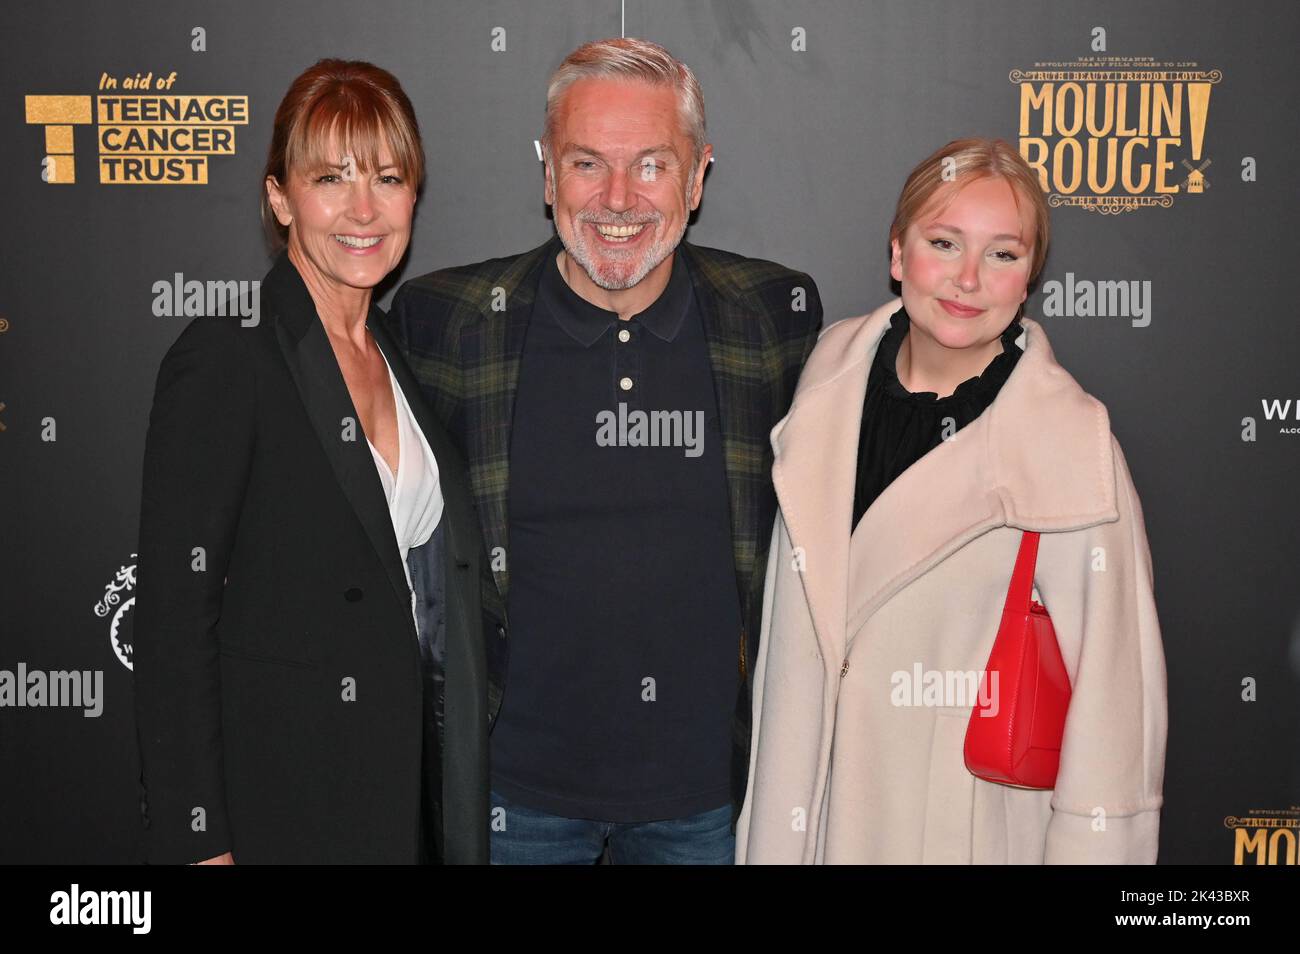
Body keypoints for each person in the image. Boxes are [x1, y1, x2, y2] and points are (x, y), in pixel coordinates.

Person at [387, 37, 822, 864]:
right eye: (587, 164)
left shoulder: (773, 320)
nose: (618, 198)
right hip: (509, 800)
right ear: (547, 173)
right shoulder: (445, 325)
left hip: (709, 800)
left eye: (653, 165)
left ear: (697, 178)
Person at [736, 138, 1168, 864]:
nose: (969, 279)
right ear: (898, 255)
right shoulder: (824, 387)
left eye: (1003, 254)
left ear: (1029, 277)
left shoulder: (1068, 445)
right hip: (805, 825)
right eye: (944, 243)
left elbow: (1117, 709)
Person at [132, 59, 505, 865]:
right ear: (279, 198)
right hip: (282, 806)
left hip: (397, 800)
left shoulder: (396, 352)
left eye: (388, 177)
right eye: (330, 177)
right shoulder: (229, 352)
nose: (363, 209)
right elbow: (171, 626)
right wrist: (200, 842)